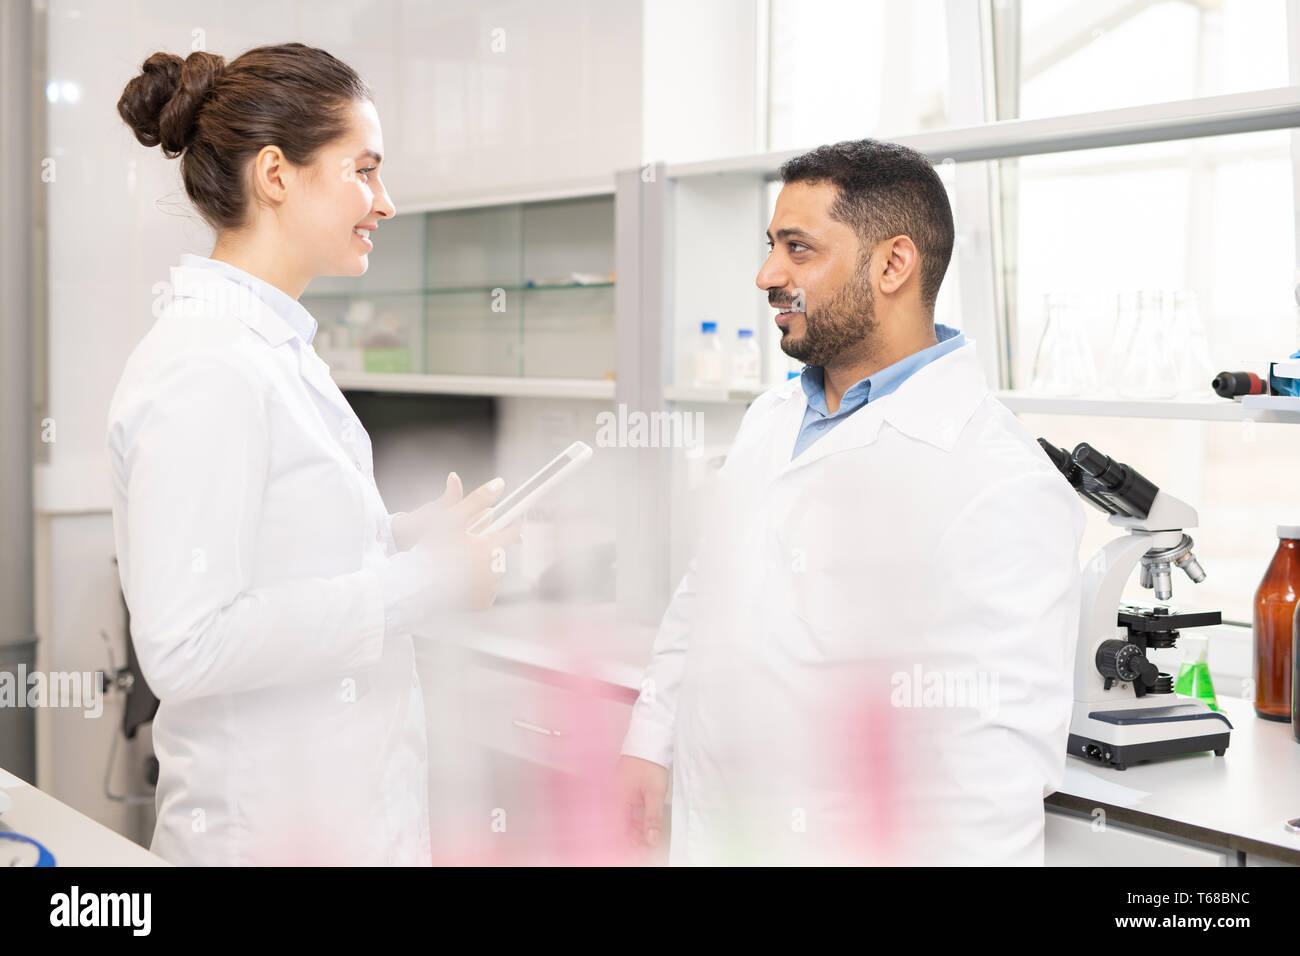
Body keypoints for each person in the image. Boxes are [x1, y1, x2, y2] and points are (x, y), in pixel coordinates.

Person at [617, 139, 1085, 865]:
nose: (767, 274)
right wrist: (651, 739)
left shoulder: (998, 479)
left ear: (893, 264)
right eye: (772, 245)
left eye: (798, 250)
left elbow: (991, 784)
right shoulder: (771, 418)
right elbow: (706, 593)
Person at [109, 43, 519, 866]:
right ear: (275, 174)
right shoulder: (208, 363)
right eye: (363, 171)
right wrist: (425, 583)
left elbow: (278, 547)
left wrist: (401, 536)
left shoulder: (272, 348)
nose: (386, 202)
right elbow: (187, 646)